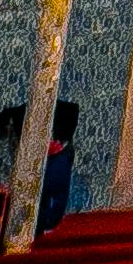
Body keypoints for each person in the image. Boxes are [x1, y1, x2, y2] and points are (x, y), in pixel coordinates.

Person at [38, 97, 80, 240]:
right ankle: (43, 221)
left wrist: (59, 145)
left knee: (57, 188)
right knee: (43, 189)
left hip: (60, 151)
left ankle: (49, 221)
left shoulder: (67, 112)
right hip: (52, 150)